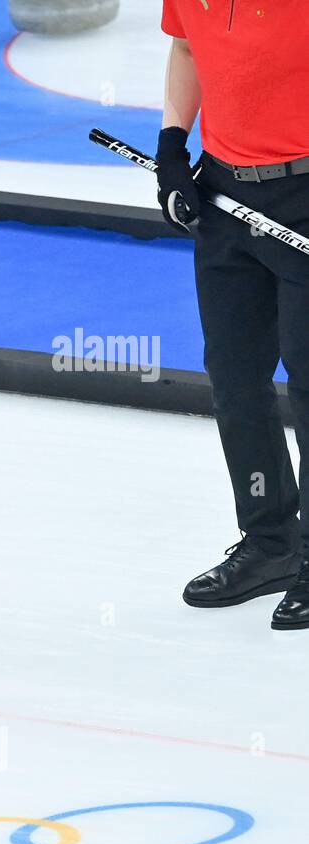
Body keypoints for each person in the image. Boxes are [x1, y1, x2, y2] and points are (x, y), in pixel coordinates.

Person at [158, 2, 309, 626]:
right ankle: (271, 543)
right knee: (237, 382)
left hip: (303, 194)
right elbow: (189, 50)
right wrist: (172, 143)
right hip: (224, 199)